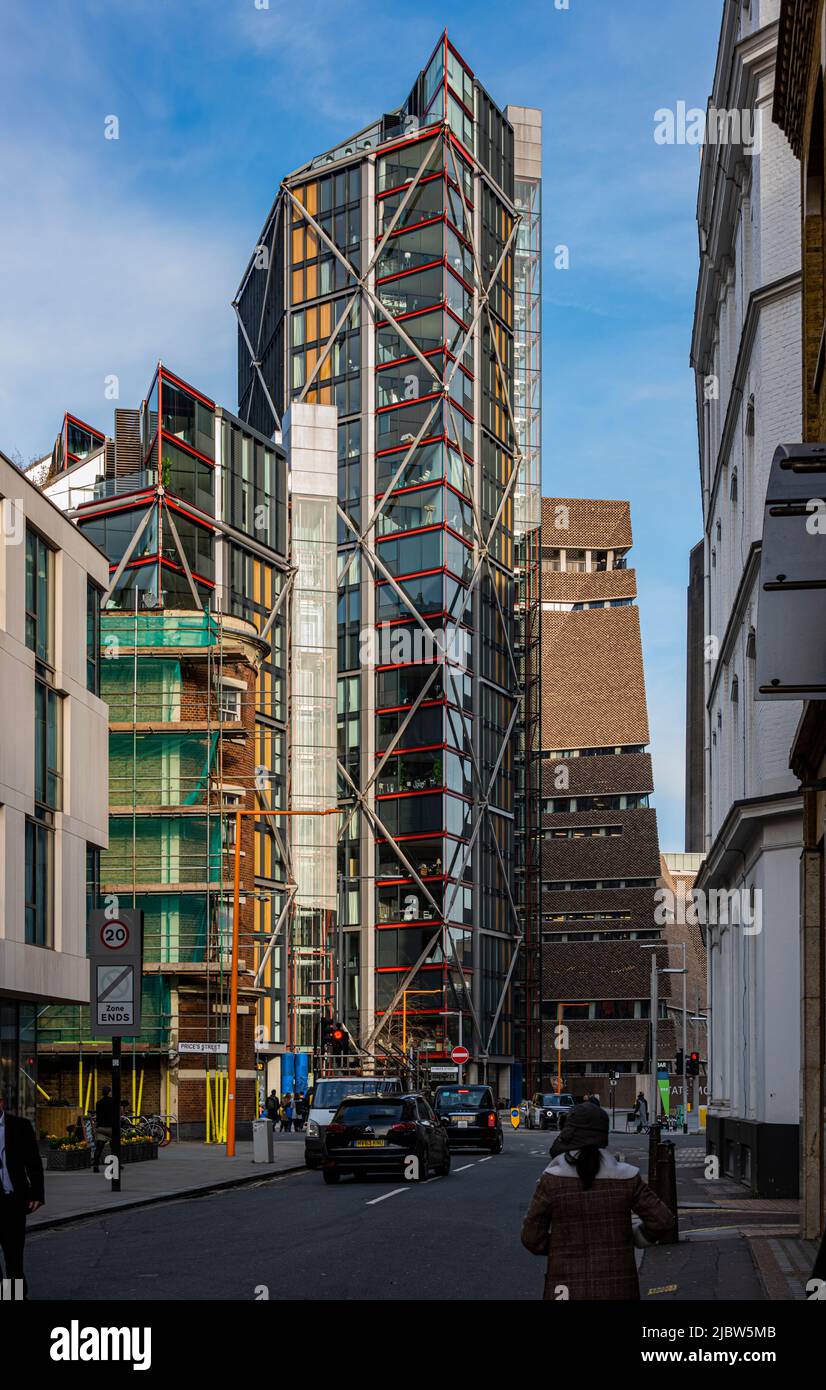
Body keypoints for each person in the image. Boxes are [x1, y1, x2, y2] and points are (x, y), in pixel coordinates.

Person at [521, 1102, 672, 1300]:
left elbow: (531, 1238)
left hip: (564, 1289)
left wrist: (561, 1247)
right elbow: (662, 1220)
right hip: (619, 1288)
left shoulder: (552, 1180)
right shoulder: (626, 1177)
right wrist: (635, 1237)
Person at [0, 1090, 45, 1299]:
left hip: (12, 1202)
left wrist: (37, 1193)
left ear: (0, 1103)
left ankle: (14, 1298)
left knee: (13, 1258)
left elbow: (34, 1163)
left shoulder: (20, 1126)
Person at [93, 1086, 117, 1172]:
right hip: (111, 1128)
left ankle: (95, 1166)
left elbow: (98, 1115)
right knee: (114, 1148)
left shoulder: (98, 1103)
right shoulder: (113, 1102)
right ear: (109, 1092)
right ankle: (114, 1166)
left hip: (101, 1128)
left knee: (99, 1148)